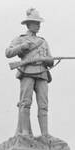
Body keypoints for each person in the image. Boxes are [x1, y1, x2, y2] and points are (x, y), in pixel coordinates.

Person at [5, 8, 56, 138]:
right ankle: (25, 132)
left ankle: (45, 134)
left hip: (42, 73)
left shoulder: (43, 41)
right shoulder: (21, 39)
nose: (38, 25)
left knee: (43, 105)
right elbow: (8, 53)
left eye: (39, 23)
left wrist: (48, 60)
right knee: (25, 103)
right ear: (28, 24)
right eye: (35, 23)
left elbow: (50, 60)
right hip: (27, 72)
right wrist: (22, 47)